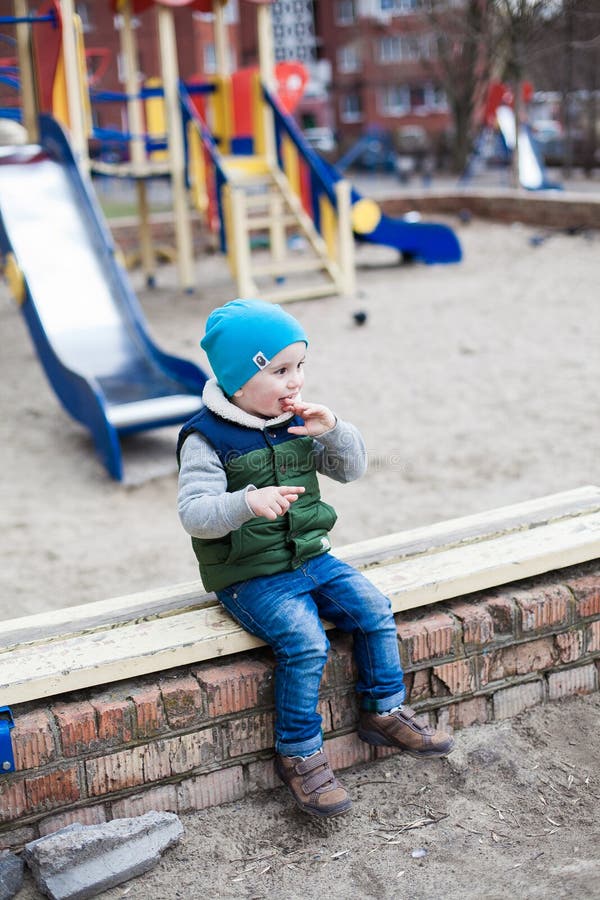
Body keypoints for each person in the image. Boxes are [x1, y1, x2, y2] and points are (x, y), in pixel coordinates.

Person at [177, 298, 454, 819]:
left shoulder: (296, 420)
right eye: (280, 370)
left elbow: (350, 470)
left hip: (312, 557)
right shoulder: (206, 438)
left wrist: (334, 430)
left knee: (374, 608)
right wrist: (245, 502)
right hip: (250, 574)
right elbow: (194, 513)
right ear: (239, 379)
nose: (295, 381)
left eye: (300, 366)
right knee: (305, 643)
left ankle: (384, 710)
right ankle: (300, 755)